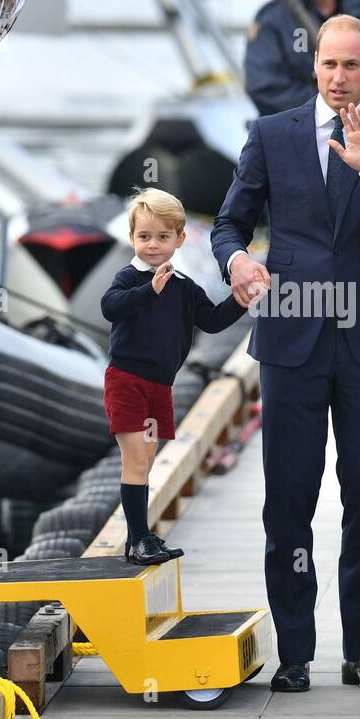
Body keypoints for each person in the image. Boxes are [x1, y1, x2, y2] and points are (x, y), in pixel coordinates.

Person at [212, 14, 360, 693]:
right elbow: (229, 222)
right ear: (316, 67)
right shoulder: (272, 134)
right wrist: (239, 259)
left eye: (350, 66)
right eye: (328, 65)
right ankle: (295, 652)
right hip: (291, 340)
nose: (338, 77)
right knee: (289, 501)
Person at [100, 188, 247, 564]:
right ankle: (138, 541)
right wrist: (149, 290)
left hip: (159, 388)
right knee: (135, 458)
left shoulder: (183, 287)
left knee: (148, 458)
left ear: (180, 239)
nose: (152, 245)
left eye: (163, 237)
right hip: (128, 382)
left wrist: (241, 300)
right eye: (144, 237)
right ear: (132, 238)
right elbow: (110, 307)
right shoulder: (129, 278)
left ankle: (142, 535)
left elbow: (212, 322)